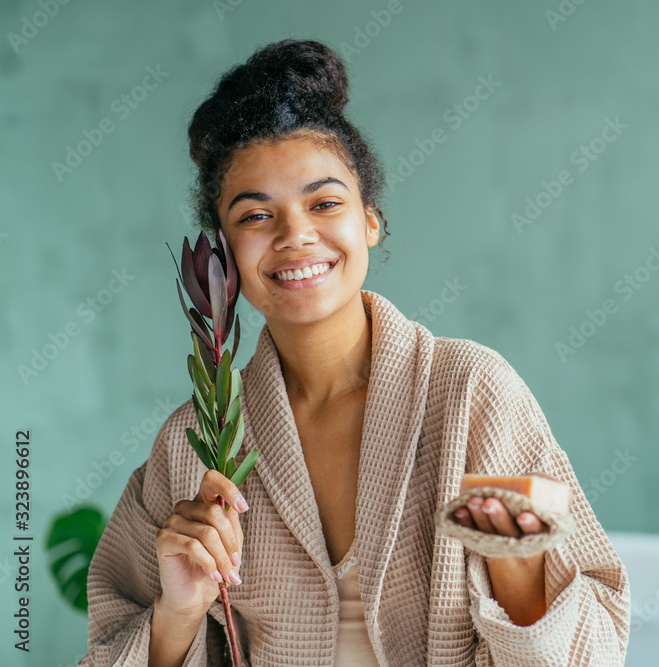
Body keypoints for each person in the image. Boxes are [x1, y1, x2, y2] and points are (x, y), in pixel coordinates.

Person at [80, 38, 630, 666]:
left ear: (371, 220)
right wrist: (178, 613)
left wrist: (519, 563)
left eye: (325, 203)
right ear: (224, 253)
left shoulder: (471, 395)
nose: (295, 235)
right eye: (256, 216)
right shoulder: (191, 448)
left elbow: (593, 653)